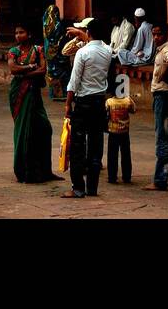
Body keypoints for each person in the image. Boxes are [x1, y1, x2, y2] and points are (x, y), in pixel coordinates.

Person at [64, 18, 113, 199]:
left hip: (83, 102)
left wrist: (68, 103)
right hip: (99, 103)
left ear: (89, 33)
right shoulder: (108, 51)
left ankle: (78, 187)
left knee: (77, 147)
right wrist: (84, 35)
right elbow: (103, 45)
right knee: (95, 146)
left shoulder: (83, 53)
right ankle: (92, 188)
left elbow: (74, 81)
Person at [7, 23, 59, 183]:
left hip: (34, 94)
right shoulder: (13, 51)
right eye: (16, 33)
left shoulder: (38, 50)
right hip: (19, 94)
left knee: (44, 128)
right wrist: (30, 67)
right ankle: (24, 171)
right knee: (24, 130)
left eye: (21, 32)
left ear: (29, 34)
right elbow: (12, 69)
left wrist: (24, 70)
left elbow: (43, 70)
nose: (17, 35)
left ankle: (44, 170)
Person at [145, 22, 168, 191]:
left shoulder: (167, 50)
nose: (155, 38)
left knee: (162, 138)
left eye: (159, 34)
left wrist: (164, 75)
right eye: (154, 34)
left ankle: (160, 179)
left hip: (163, 97)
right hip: (166, 97)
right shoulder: (161, 50)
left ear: (166, 35)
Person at [105, 71, 136, 185]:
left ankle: (112, 177)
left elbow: (106, 113)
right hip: (124, 131)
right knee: (126, 154)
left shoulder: (109, 102)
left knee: (112, 155)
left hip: (113, 131)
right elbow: (133, 110)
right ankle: (126, 177)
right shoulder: (128, 101)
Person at [42, 4, 70, 101]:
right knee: (62, 72)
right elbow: (61, 39)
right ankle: (63, 92)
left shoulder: (45, 24)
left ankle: (54, 93)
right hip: (59, 53)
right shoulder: (58, 25)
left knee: (52, 73)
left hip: (49, 53)